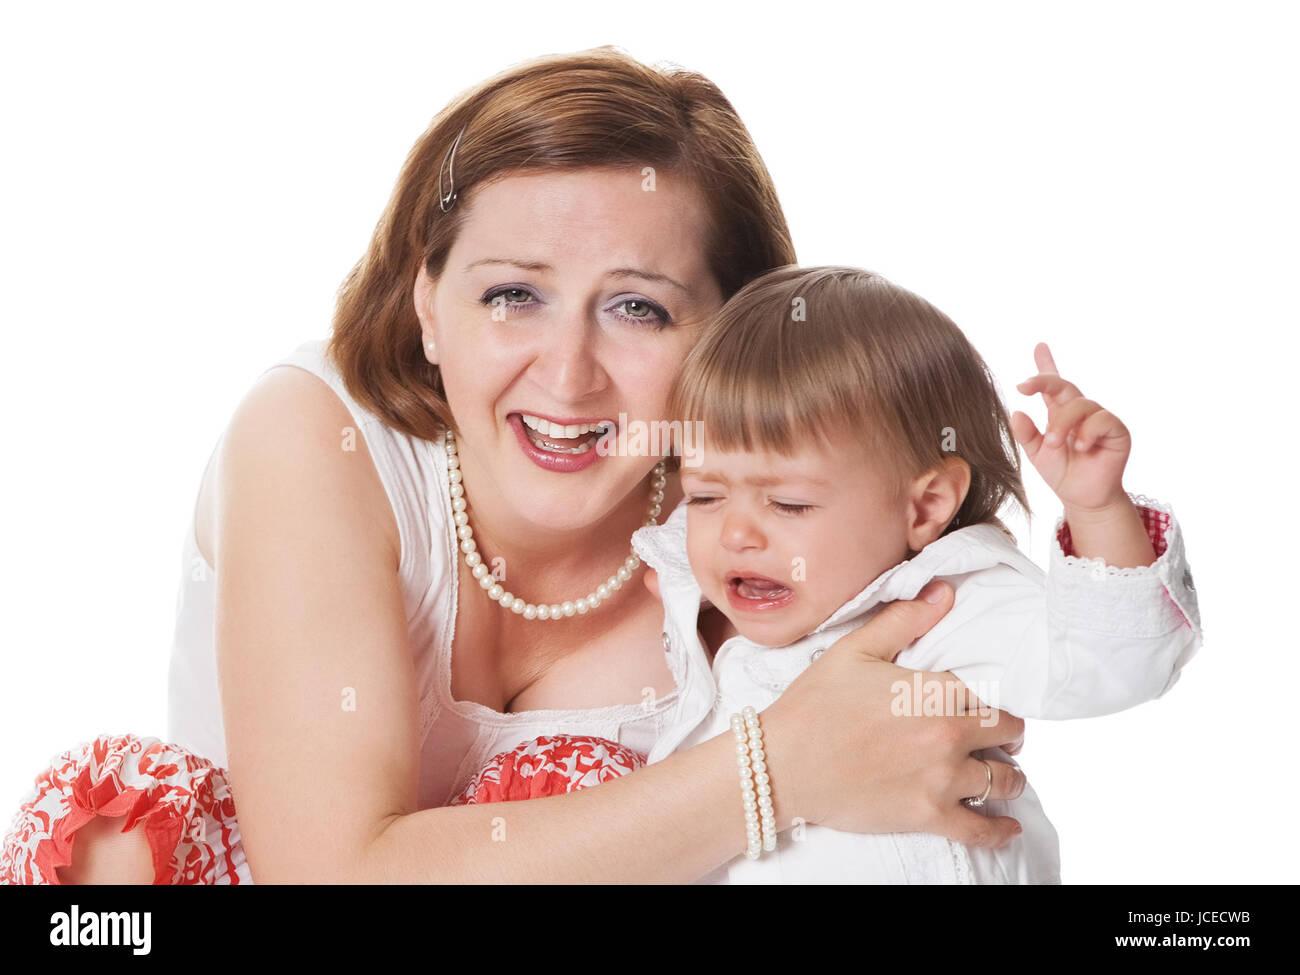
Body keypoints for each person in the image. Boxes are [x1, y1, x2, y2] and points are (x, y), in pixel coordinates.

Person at [2, 47, 1035, 886]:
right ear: (426, 308)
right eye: (511, 295)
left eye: (638, 306)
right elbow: (328, 877)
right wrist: (772, 770)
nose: (569, 373)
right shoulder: (318, 437)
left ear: (734, 335)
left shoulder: (764, 528)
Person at [628, 266, 1201, 882]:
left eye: (789, 503)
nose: (735, 535)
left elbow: (1113, 663)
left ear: (925, 506)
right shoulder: (703, 603)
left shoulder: (949, 606)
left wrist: (1097, 511)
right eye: (707, 497)